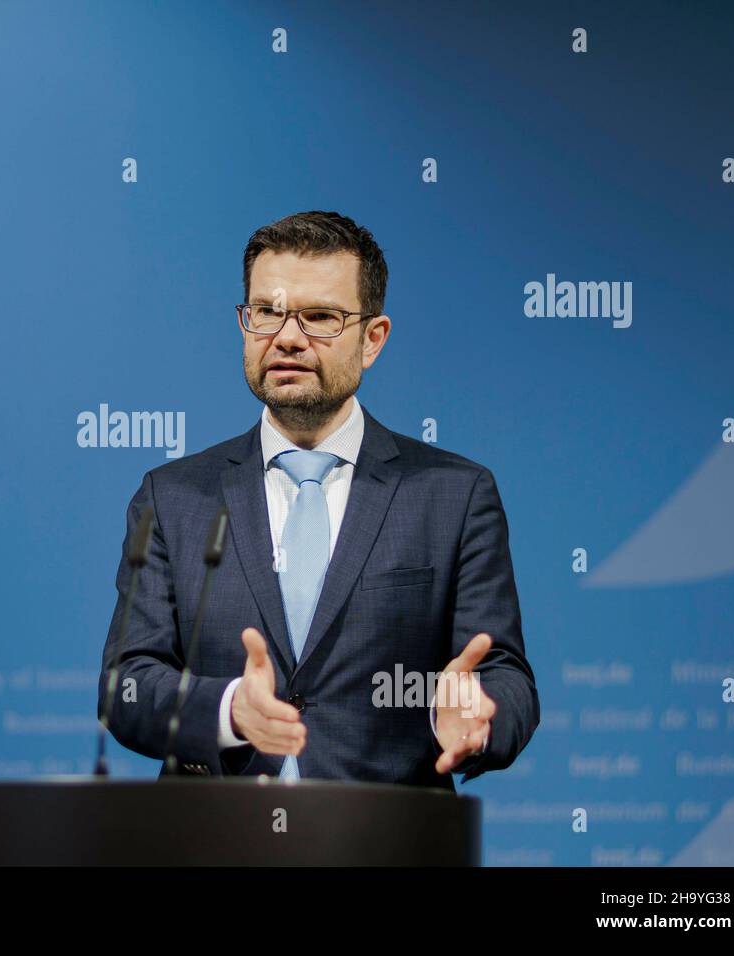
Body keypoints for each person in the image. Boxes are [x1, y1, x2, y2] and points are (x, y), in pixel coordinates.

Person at [98, 210, 539, 787]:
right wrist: (229, 709)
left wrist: (477, 713)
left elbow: (506, 677)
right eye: (267, 313)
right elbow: (127, 682)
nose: (286, 337)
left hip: (387, 846)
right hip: (213, 845)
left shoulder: (454, 495)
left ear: (372, 339)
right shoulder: (173, 496)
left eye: (320, 318)